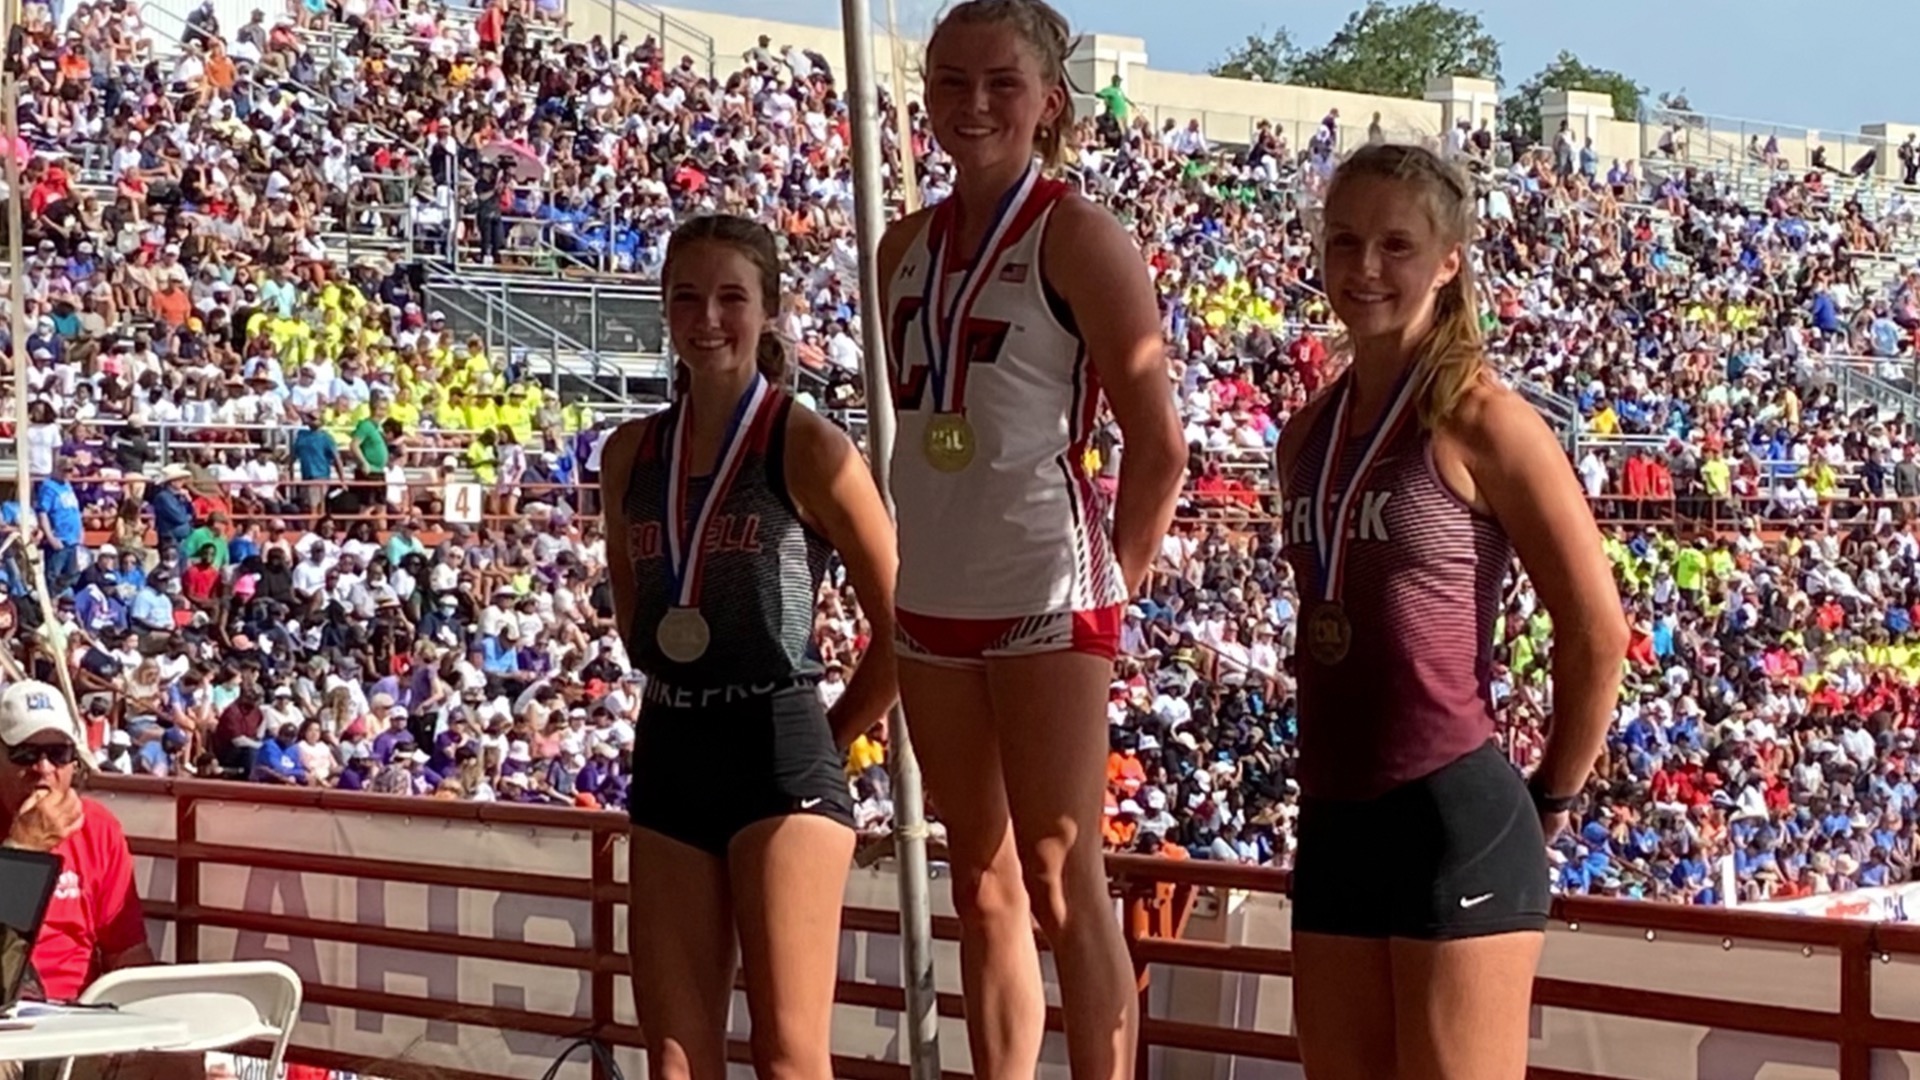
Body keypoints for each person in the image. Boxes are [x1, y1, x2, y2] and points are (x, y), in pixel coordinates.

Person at [876, 2, 1186, 1077]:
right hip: (933, 595)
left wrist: (1117, 593)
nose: (972, 104)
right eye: (950, 80)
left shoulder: (1081, 235)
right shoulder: (902, 245)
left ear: (1048, 101)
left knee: (1063, 872)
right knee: (980, 880)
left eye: (1000, 83)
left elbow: (1158, 447)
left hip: (1048, 590)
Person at [1272, 143, 1627, 1080]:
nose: (1365, 268)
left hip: (1453, 815)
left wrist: (1554, 790)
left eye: (1396, 245)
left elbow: (1596, 629)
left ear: (1449, 260)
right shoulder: (1305, 432)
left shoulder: (1487, 422)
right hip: (1336, 816)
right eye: (1344, 241)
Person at [599, 214, 900, 1080]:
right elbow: (633, 602)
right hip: (671, 743)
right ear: (664, 308)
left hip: (780, 744)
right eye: (686, 297)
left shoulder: (806, 444)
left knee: (787, 1052)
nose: (708, 318)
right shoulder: (630, 453)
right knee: (673, 1057)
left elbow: (902, 623)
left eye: (732, 297)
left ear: (769, 311)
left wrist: (833, 737)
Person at [0, 680, 183, 1080]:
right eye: (25, 753)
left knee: (176, 1058)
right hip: (7, 1025)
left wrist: (149, 1025)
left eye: (58, 753)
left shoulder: (97, 827)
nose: (43, 769)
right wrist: (23, 851)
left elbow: (128, 954)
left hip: (80, 1016)